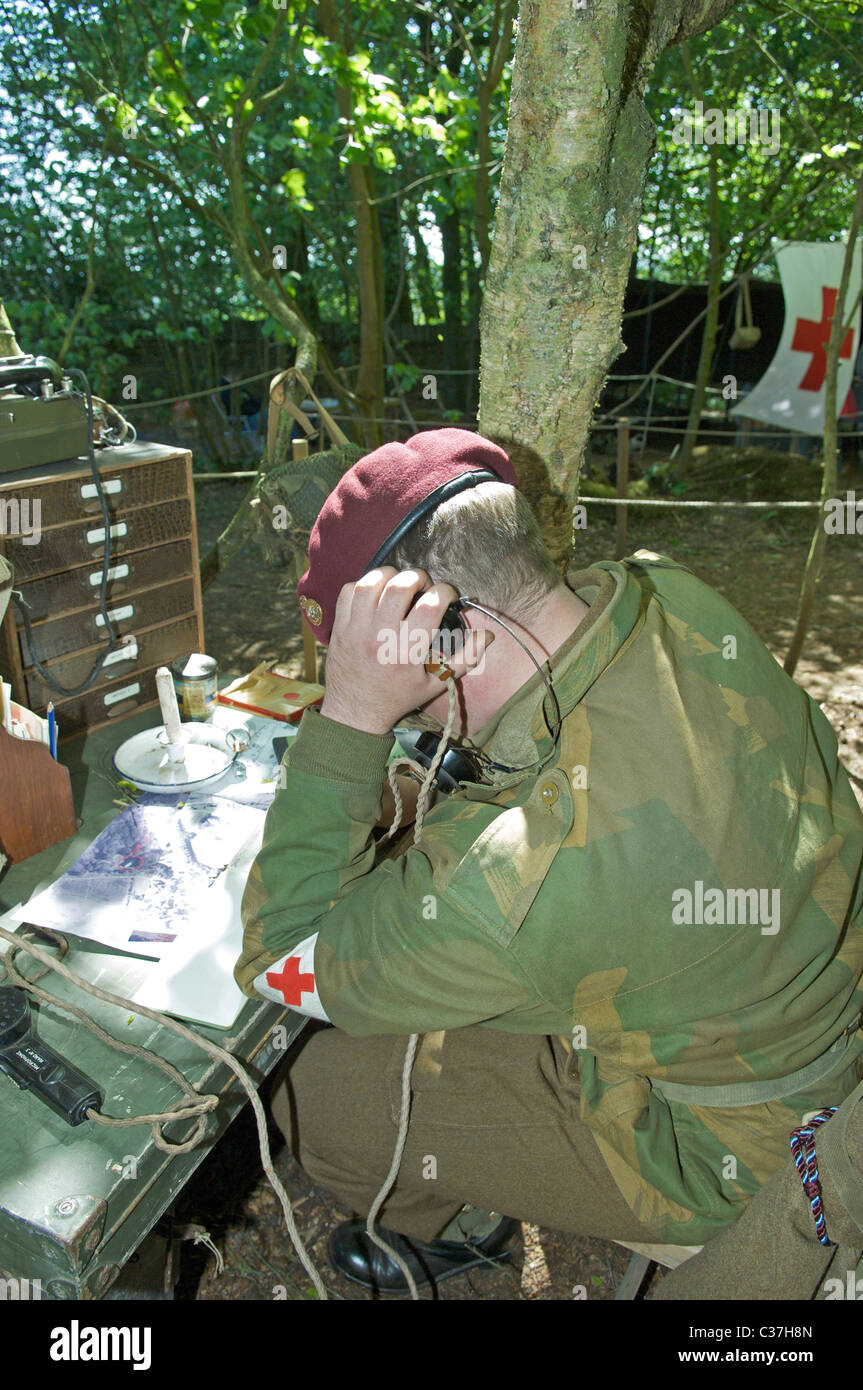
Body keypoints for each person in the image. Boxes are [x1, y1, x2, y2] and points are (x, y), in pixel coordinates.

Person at [234, 427, 863, 1296]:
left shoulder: (506, 888)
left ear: (442, 631)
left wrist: (348, 717)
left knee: (310, 1081)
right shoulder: (668, 595)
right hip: (800, 1011)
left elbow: (280, 960)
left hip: (729, 1154)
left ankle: (447, 1233)